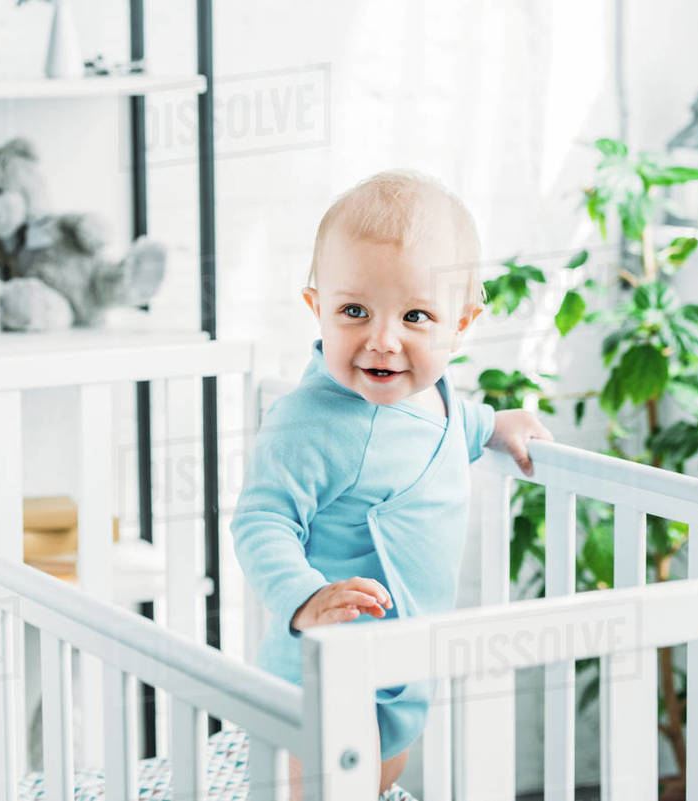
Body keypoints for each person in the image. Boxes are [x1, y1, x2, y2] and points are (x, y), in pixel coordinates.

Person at [231, 170, 553, 798]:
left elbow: (446, 432)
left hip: (402, 667)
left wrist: (496, 425)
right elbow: (261, 521)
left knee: (382, 773)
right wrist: (304, 597)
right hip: (321, 673)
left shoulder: (437, 398)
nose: (383, 340)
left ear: (461, 323)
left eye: (415, 316)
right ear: (316, 308)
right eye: (354, 311)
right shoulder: (309, 421)